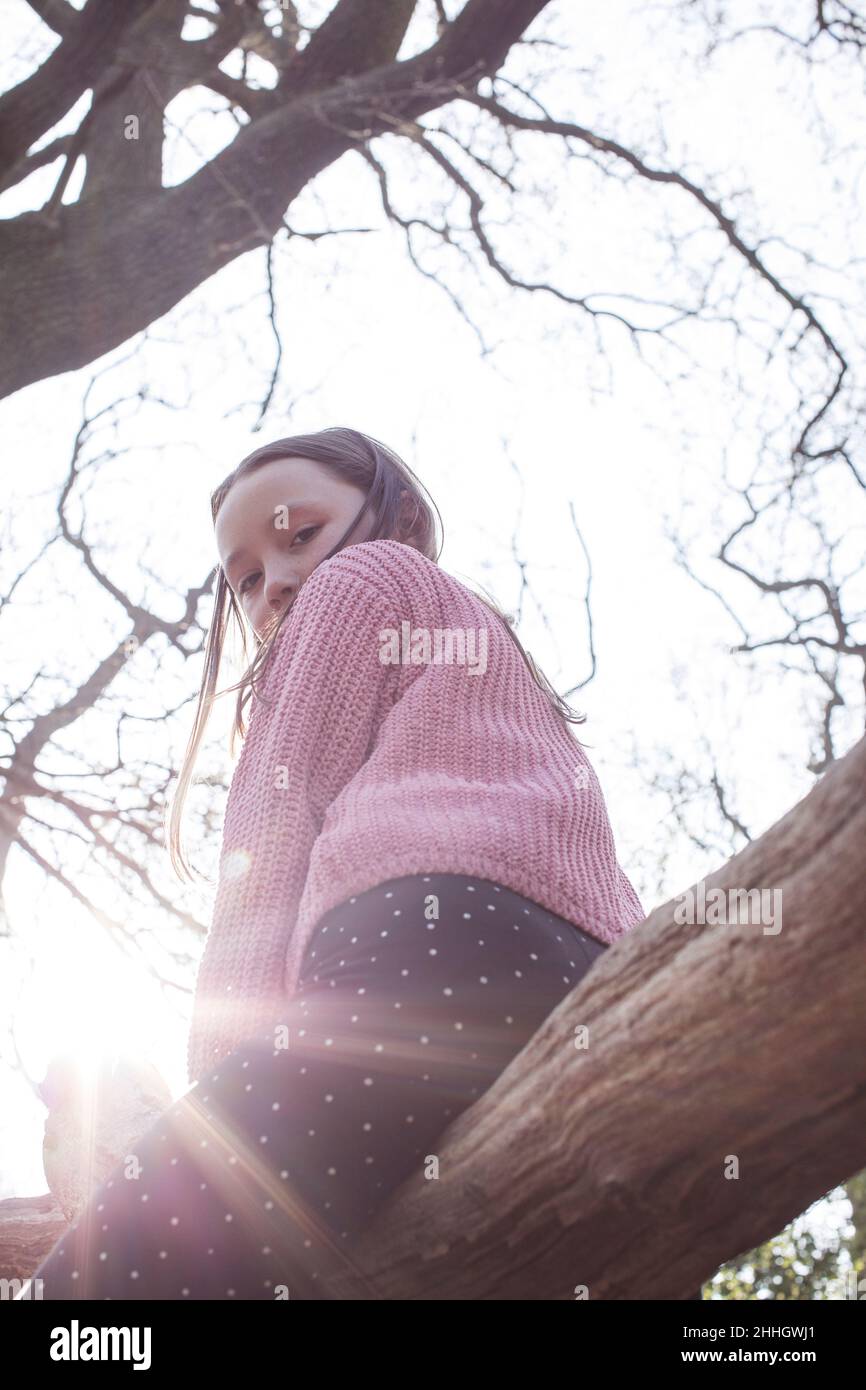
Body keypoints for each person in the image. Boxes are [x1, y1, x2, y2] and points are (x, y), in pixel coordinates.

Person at [33, 427, 668, 1301]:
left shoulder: (358, 582)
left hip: (429, 950)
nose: (278, 582)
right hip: (593, 978)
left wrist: (222, 1088)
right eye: (246, 578)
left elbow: (269, 837)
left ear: (399, 518)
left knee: (144, 1257)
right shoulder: (486, 647)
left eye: (300, 535)